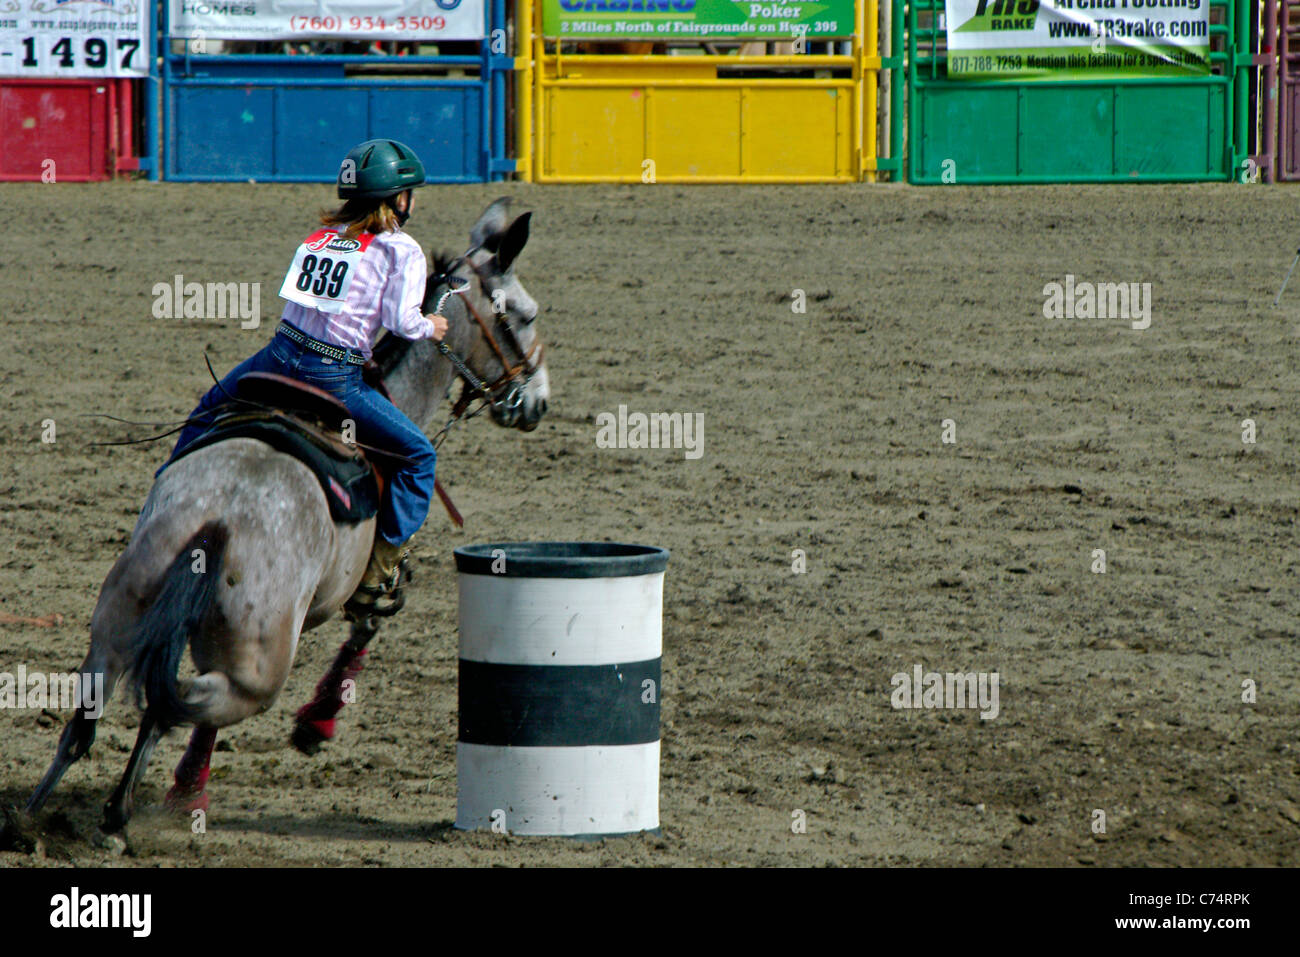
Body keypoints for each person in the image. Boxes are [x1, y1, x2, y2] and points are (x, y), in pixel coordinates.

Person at [159, 138, 448, 616]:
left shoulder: (323, 236)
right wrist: (430, 325)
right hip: (333, 376)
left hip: (277, 357)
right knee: (419, 457)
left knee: (207, 408)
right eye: (410, 193)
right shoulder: (403, 250)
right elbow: (400, 322)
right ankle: (377, 571)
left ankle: (166, 494)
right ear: (398, 199)